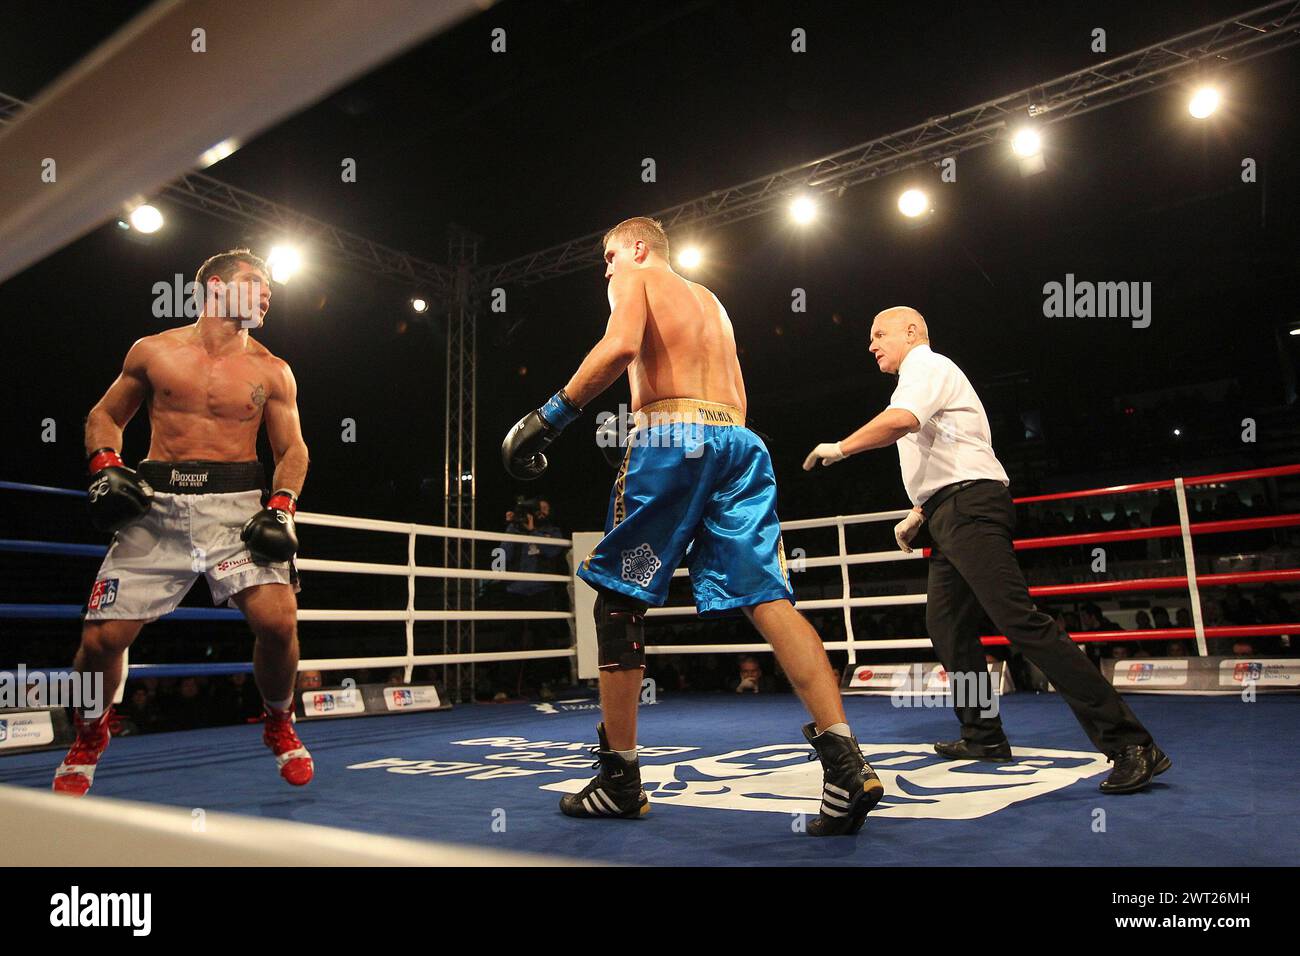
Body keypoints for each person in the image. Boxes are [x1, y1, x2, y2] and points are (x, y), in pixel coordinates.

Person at [501, 217, 882, 835]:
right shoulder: (711, 301)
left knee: (619, 601)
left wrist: (550, 416)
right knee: (769, 597)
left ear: (640, 246)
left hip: (674, 437)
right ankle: (845, 763)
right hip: (740, 442)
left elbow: (621, 345)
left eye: (609, 254)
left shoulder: (636, 276)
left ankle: (619, 779)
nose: (606, 267)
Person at [802, 306, 1169, 794]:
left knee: (1019, 620)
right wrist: (920, 513)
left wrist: (841, 447)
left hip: (971, 507)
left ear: (912, 332)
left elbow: (901, 423)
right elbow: (949, 449)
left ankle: (1131, 743)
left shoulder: (927, 366)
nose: (871, 345)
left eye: (879, 334)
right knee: (948, 626)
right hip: (951, 511)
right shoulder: (919, 377)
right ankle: (983, 734)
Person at [53, 248, 313, 796]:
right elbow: (105, 415)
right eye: (256, 283)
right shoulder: (154, 352)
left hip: (235, 506)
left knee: (278, 621)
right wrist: (105, 463)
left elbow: (292, 449)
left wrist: (282, 504)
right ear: (217, 287)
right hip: (157, 505)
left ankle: (278, 720)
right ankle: (90, 733)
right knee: (101, 639)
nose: (268, 294)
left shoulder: (272, 369)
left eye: (269, 287)